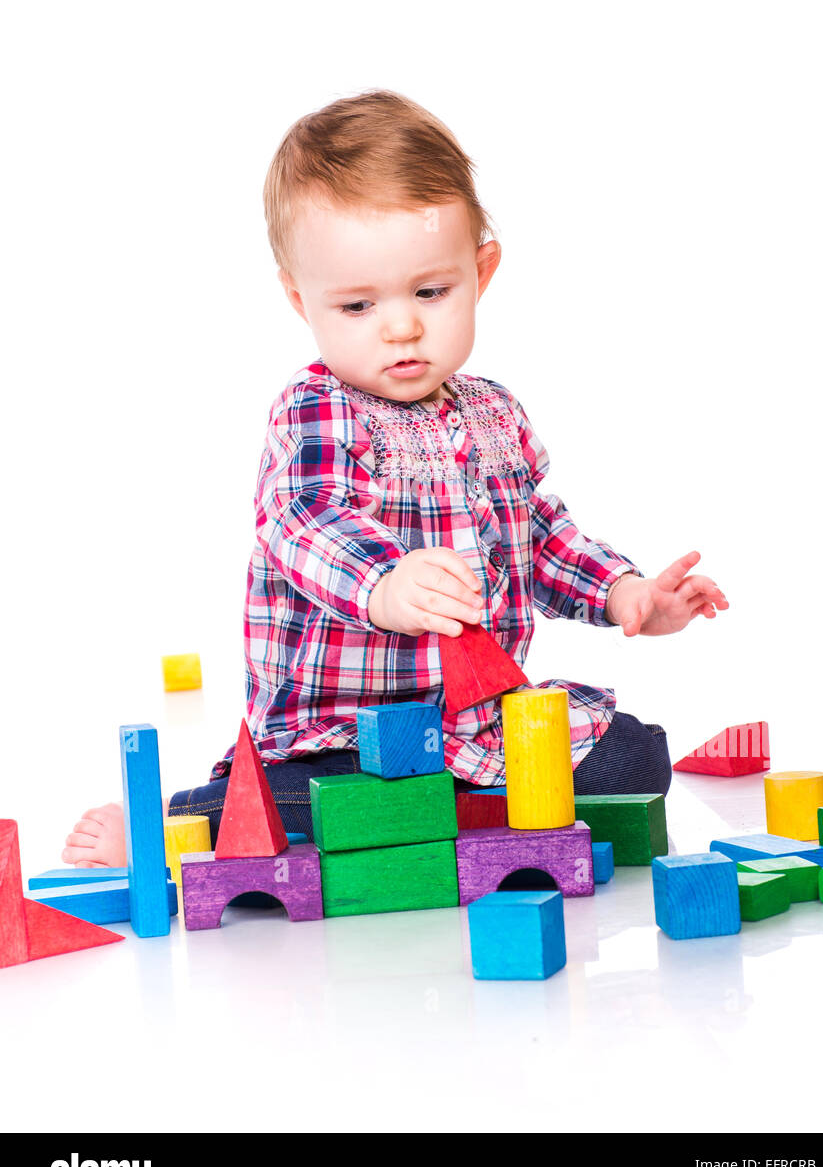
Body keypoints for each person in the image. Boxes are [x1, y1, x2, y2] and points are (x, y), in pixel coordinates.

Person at [61, 90, 728, 867]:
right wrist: (385, 584)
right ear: (299, 300)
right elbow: (302, 521)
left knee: (636, 757)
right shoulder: (317, 410)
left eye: (430, 292)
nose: (401, 326)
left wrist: (626, 594)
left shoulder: (494, 414)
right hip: (345, 732)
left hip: (481, 724)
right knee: (298, 805)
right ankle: (173, 824)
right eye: (356, 304)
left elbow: (541, 537)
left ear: (482, 272)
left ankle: (464, 813)